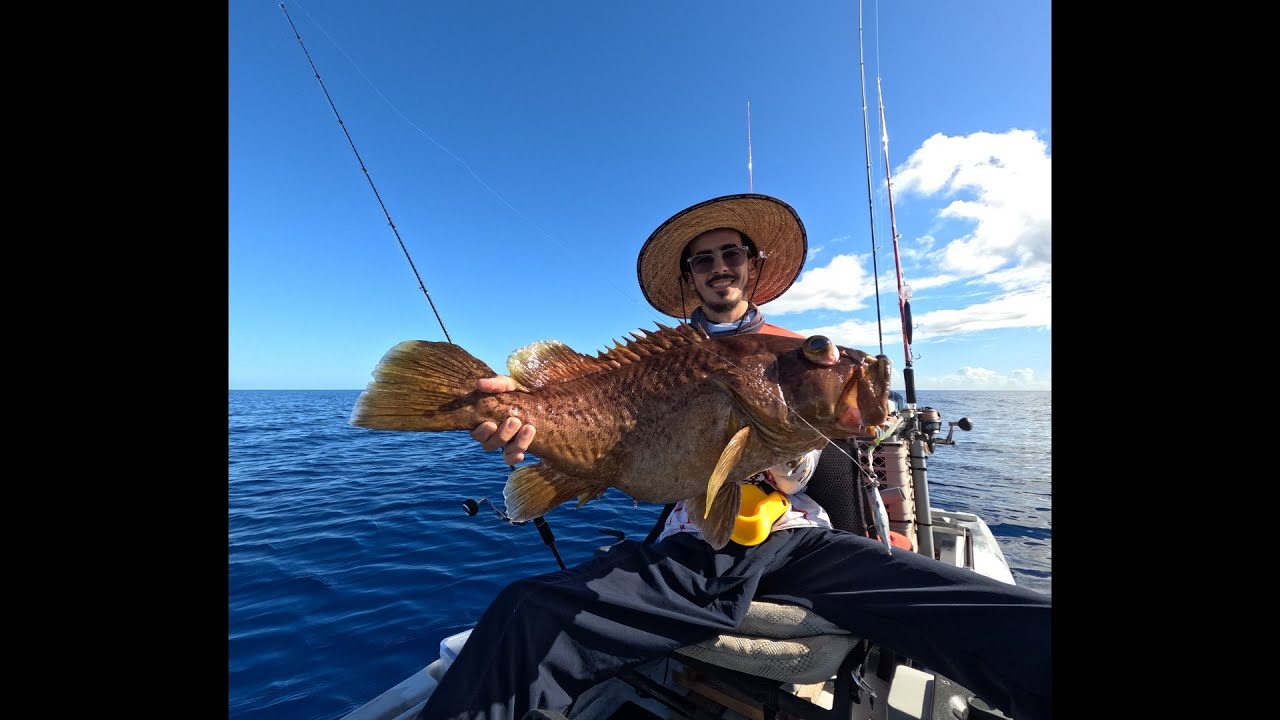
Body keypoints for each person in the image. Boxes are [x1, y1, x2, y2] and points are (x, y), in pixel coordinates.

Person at [418, 194, 1051, 720]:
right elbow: (605, 421)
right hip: (696, 549)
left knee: (1003, 617)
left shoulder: (787, 349)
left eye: (732, 254)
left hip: (799, 540)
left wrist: (885, 518)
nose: (720, 267)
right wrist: (519, 416)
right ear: (690, 276)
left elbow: (835, 456)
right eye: (704, 259)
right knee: (526, 610)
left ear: (751, 265)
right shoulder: (668, 359)